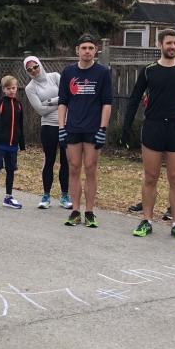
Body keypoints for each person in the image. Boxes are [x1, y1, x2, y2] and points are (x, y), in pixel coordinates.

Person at [121, 29, 175, 242]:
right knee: (150, 177)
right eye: (169, 43)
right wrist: (126, 127)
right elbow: (134, 99)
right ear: (160, 44)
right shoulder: (149, 71)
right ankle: (146, 220)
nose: (173, 47)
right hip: (153, 127)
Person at [57, 34, 113, 229]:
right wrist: (61, 127)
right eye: (84, 48)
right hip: (72, 128)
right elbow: (62, 102)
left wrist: (102, 128)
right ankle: (75, 211)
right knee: (73, 168)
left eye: (91, 48)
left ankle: (89, 212)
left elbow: (107, 103)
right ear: (77, 50)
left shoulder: (102, 73)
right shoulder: (68, 72)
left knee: (90, 168)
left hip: (92, 128)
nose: (87, 51)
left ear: (96, 50)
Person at [23, 55, 71, 210]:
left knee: (66, 161)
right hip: (48, 126)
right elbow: (40, 110)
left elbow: (67, 96)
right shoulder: (30, 88)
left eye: (35, 67)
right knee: (49, 160)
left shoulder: (55, 77)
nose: (34, 71)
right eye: (29, 69)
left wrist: (49, 101)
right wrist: (59, 101)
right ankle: (46, 195)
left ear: (40, 65)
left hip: (66, 124)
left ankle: (64, 195)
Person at [0, 75, 25, 210]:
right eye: (8, 88)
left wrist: (22, 143)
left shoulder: (19, 104)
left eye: (13, 88)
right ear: (3, 89)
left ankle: (8, 197)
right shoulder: (0, 103)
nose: (12, 91)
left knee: (10, 170)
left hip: (13, 145)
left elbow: (20, 125)